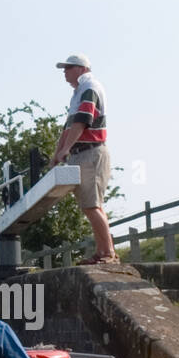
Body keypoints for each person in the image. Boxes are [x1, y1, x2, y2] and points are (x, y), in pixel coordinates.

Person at [49, 53, 116, 265]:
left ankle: (107, 254)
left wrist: (64, 149)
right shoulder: (79, 93)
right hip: (83, 152)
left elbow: (82, 122)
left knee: (91, 205)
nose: (64, 72)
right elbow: (68, 127)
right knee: (91, 204)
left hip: (91, 151)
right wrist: (58, 152)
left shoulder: (90, 88)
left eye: (68, 68)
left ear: (81, 69)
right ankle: (103, 251)